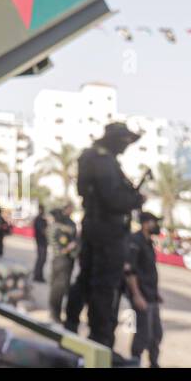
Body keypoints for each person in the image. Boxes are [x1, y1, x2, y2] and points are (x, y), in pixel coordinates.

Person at [64, 122, 145, 348]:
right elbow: (113, 199)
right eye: (125, 141)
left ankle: (71, 326)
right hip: (107, 230)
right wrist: (136, 200)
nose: (127, 146)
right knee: (103, 285)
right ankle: (99, 340)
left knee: (86, 278)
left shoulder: (93, 157)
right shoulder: (103, 160)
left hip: (95, 225)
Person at [124, 211, 163, 367]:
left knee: (156, 334)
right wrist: (136, 295)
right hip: (141, 296)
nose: (157, 225)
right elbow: (129, 271)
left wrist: (156, 293)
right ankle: (135, 363)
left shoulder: (148, 242)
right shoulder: (135, 240)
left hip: (151, 296)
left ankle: (154, 363)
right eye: (154, 222)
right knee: (142, 335)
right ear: (146, 223)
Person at [47, 200, 78, 323]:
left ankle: (55, 314)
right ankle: (55, 315)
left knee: (59, 287)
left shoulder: (61, 225)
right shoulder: (60, 227)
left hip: (62, 259)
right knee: (58, 288)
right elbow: (63, 247)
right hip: (62, 260)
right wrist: (71, 246)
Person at [32, 206, 48, 282]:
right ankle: (37, 276)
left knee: (42, 259)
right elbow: (43, 231)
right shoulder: (39, 219)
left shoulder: (41, 219)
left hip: (42, 242)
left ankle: (39, 275)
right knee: (41, 259)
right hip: (41, 242)